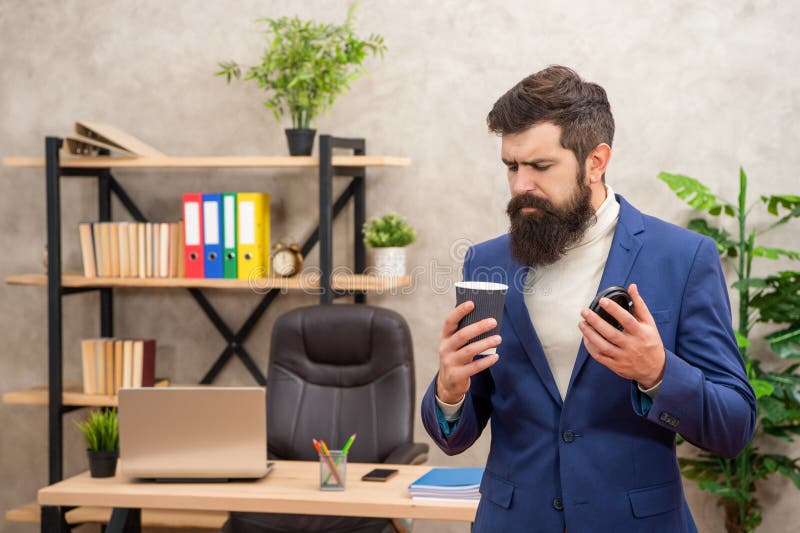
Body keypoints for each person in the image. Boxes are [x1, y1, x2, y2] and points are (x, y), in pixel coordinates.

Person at [421, 65, 757, 532]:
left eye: (540, 167)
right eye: (512, 166)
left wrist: (658, 373)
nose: (520, 185)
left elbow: (734, 426)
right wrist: (449, 391)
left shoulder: (682, 258)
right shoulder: (485, 263)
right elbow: (455, 435)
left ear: (596, 161)